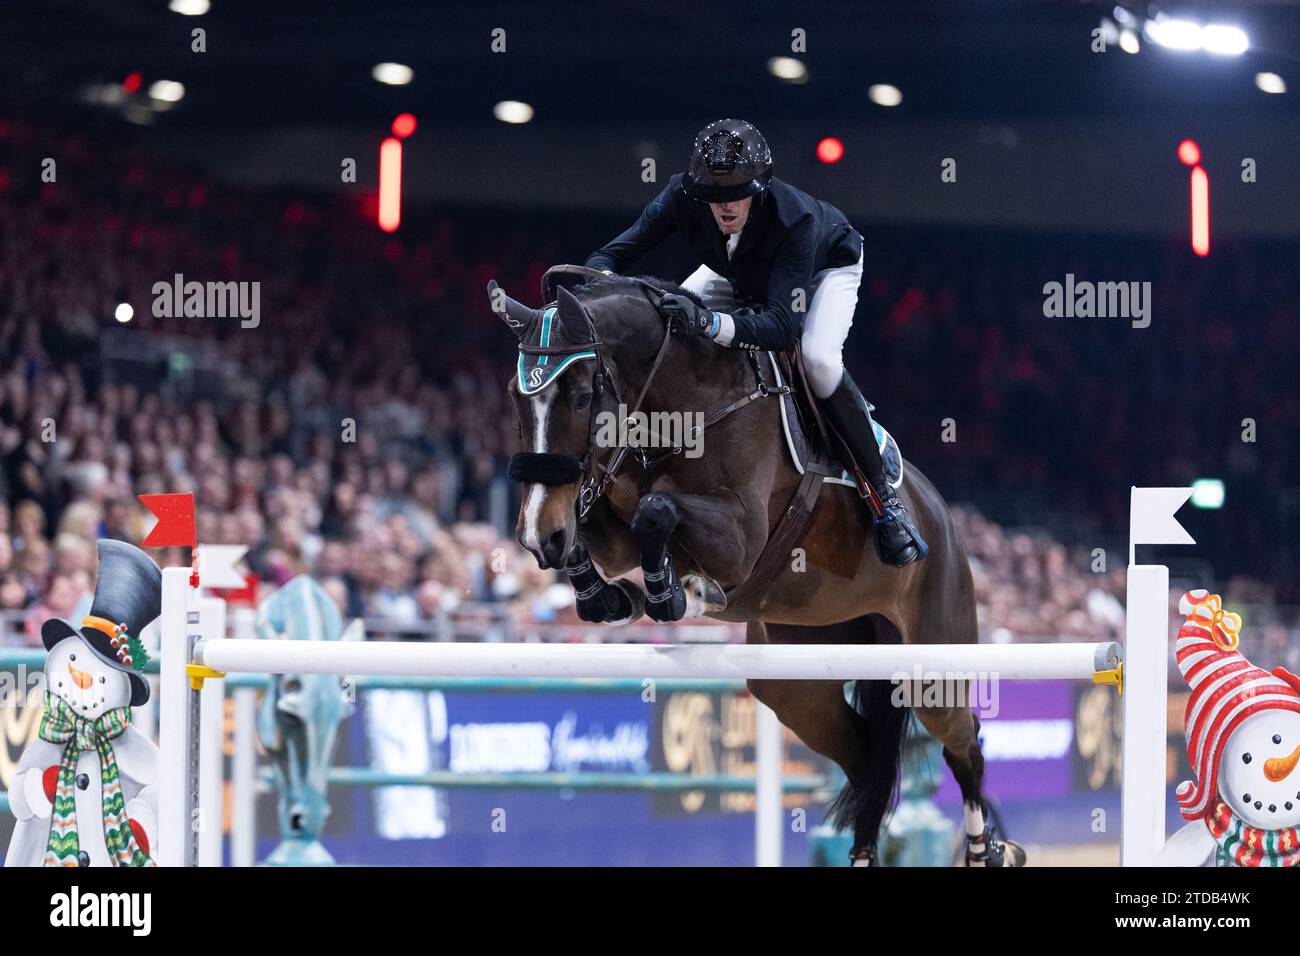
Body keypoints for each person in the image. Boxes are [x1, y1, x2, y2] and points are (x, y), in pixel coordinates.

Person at [585, 118, 926, 566]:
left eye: (737, 194)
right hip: (740, 268)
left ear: (760, 187)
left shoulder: (795, 220)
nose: (725, 207)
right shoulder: (679, 196)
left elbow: (781, 325)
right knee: (668, 329)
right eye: (714, 197)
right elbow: (610, 256)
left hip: (822, 270)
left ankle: (884, 499)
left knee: (817, 360)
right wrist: (594, 295)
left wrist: (708, 324)